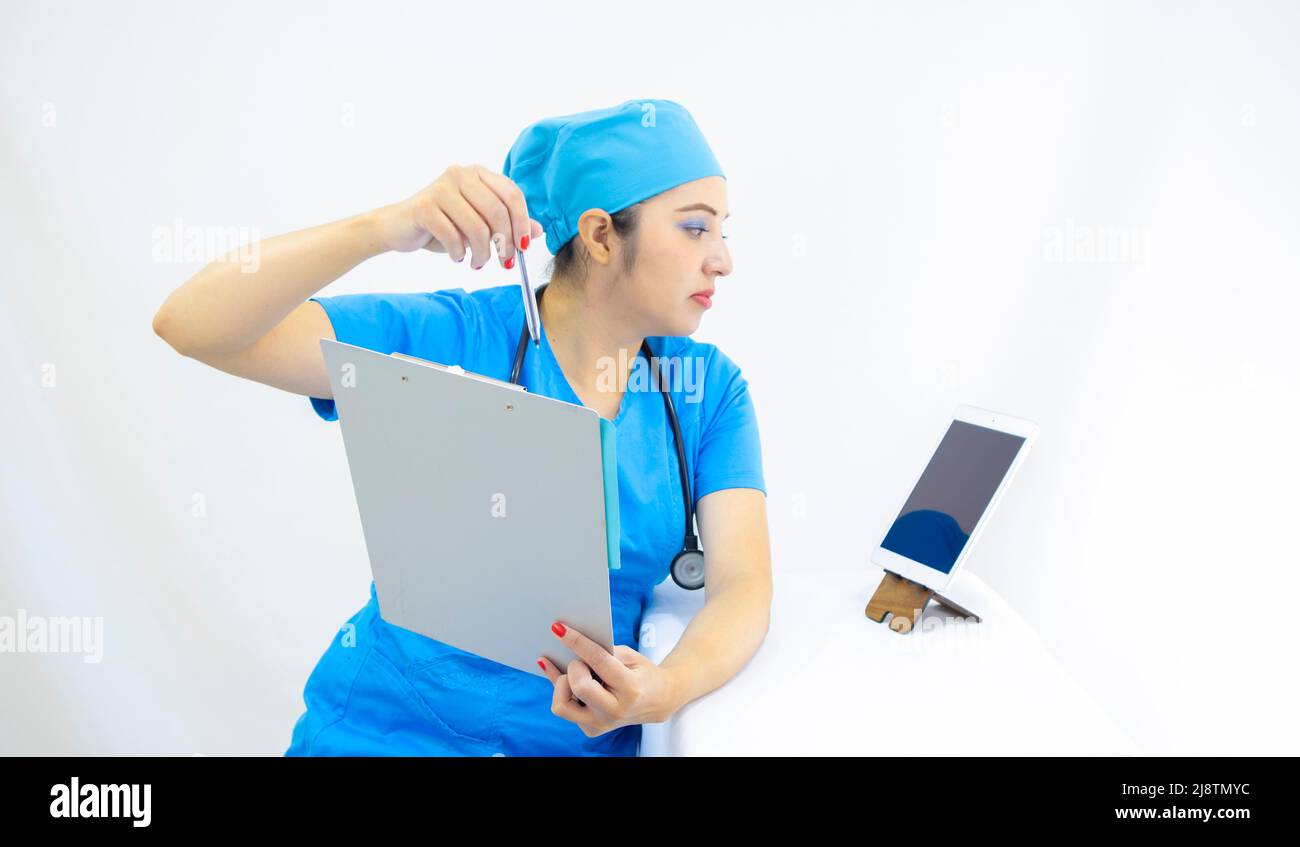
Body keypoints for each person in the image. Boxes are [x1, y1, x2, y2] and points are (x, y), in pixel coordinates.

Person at [152, 98, 772, 756]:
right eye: (696, 229)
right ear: (598, 235)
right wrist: (384, 226)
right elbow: (191, 325)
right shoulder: (455, 336)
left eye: (722, 231)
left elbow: (742, 586)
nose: (723, 260)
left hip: (563, 742)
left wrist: (667, 688)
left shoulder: (706, 392)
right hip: (381, 732)